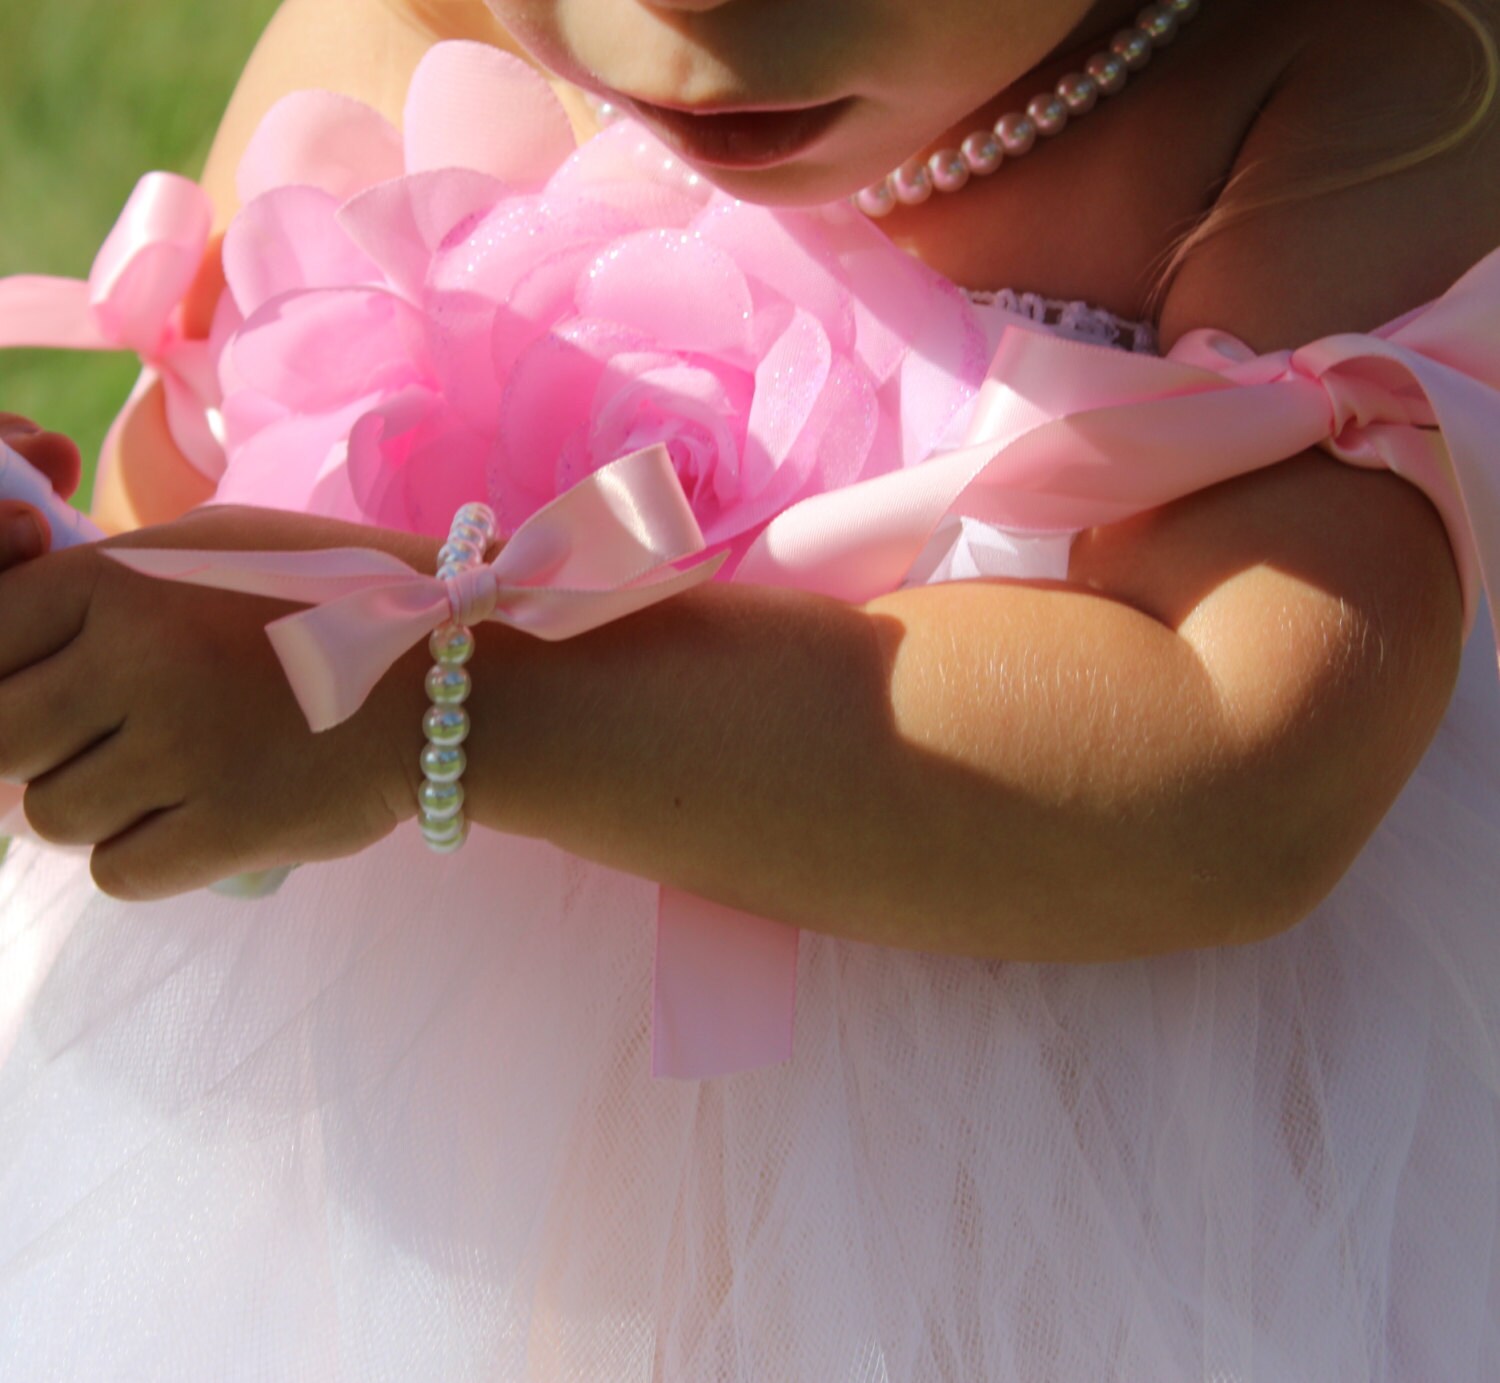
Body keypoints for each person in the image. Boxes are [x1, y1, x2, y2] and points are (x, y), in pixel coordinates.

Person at [1, 0, 1498, 1376]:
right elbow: (184, 556)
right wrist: (61, 626)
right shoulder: (398, 30)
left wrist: (443, 695)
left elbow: (1238, 767)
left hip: (1019, 1244)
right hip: (386, 1220)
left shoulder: (1341, 88)